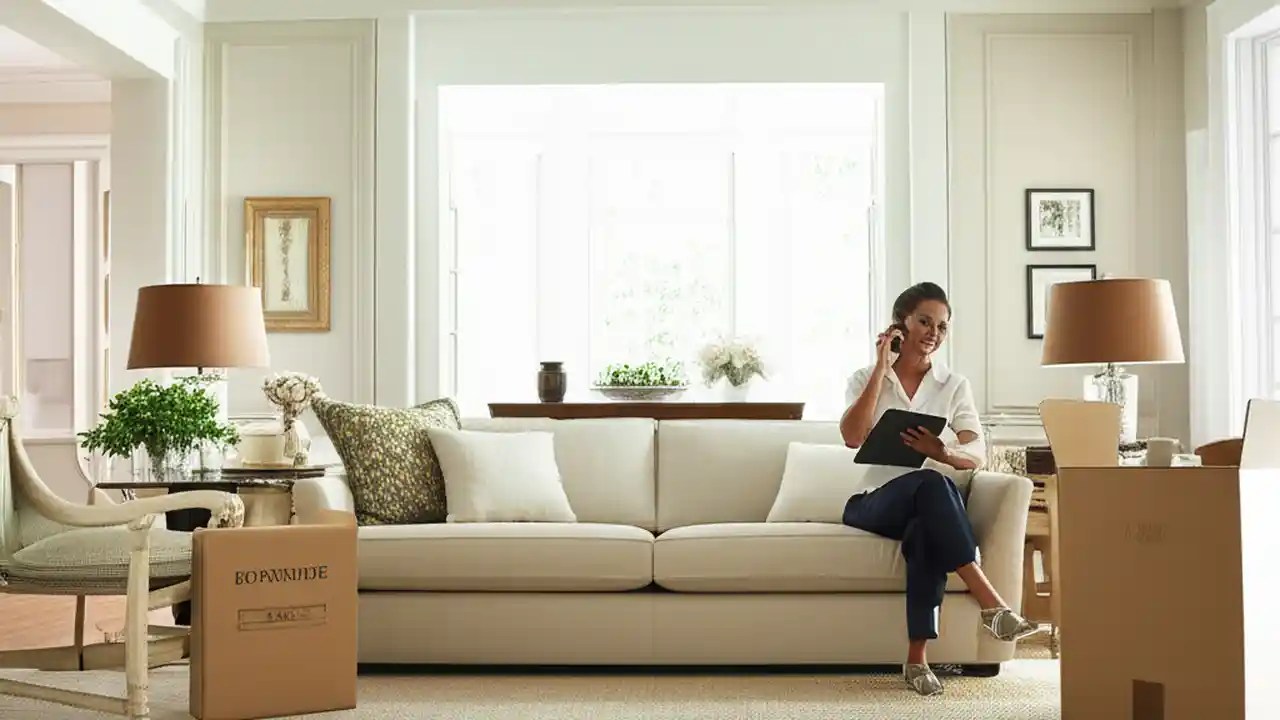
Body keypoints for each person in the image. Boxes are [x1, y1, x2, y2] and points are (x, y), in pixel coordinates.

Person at [839, 281, 1041, 697]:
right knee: (930, 484)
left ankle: (917, 660)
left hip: (931, 503)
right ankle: (993, 605)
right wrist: (881, 367)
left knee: (926, 526)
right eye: (925, 322)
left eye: (943, 326)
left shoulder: (953, 384)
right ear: (901, 325)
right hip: (873, 502)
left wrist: (942, 451)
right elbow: (852, 436)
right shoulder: (865, 377)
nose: (934, 332)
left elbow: (977, 451)